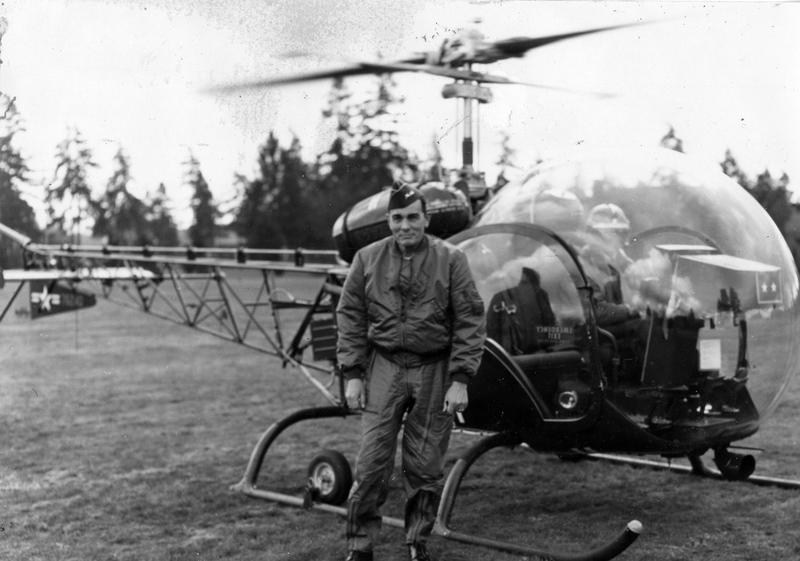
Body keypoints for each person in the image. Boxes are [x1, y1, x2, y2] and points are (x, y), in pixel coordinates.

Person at [336, 182, 486, 561]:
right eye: (398, 218)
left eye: (413, 217)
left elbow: (469, 318)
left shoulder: (450, 259)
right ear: (388, 220)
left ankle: (416, 541)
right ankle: (359, 544)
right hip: (385, 366)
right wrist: (353, 372)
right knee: (372, 463)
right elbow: (350, 316)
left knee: (425, 464)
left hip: (433, 368)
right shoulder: (367, 258)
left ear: (426, 218)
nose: (405, 226)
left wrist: (461, 379)